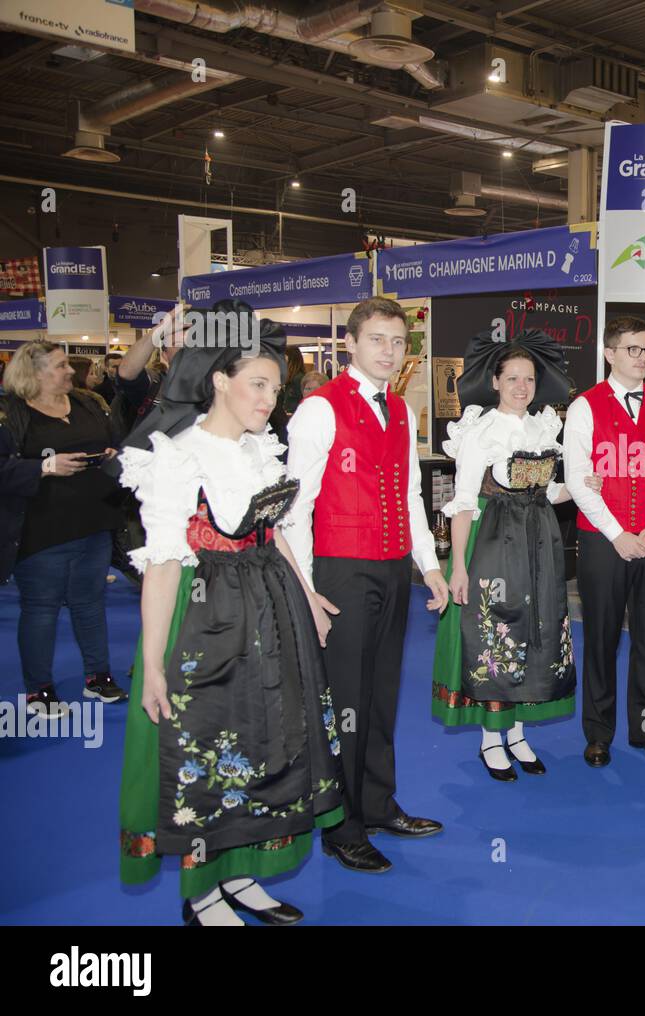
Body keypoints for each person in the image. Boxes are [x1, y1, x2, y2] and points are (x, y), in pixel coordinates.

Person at [116, 308, 344, 926]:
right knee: (209, 748)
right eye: (258, 386)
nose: (271, 400)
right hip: (205, 620)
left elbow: (277, 535)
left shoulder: (258, 449)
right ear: (220, 381)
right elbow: (162, 564)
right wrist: (156, 665)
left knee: (264, 739)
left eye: (276, 387)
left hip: (269, 610)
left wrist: (308, 595)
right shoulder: (176, 456)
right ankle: (202, 893)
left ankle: (242, 875)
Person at [283, 296, 449, 875]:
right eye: (377, 339)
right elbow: (294, 509)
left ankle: (377, 804)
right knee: (345, 703)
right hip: (339, 570)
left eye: (398, 342)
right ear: (349, 344)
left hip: (391, 565)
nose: (388, 351)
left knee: (381, 694)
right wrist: (307, 591)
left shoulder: (400, 410)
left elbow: (409, 495)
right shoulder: (318, 410)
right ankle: (341, 824)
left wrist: (428, 564)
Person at [433, 331, 588, 781]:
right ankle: (490, 739)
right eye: (513, 378)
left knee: (536, 630)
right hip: (494, 541)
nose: (522, 387)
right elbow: (463, 504)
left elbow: (545, 491)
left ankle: (518, 733)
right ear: (495, 382)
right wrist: (458, 565)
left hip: (539, 541)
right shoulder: (480, 431)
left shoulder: (544, 427)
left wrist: (578, 488)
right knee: (496, 631)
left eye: (530, 379)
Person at [563, 316, 645, 767]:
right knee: (600, 638)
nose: (641, 357)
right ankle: (598, 734)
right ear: (609, 354)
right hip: (604, 541)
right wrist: (617, 534)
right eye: (632, 349)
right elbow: (578, 480)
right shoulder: (584, 407)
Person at [0, 341, 126, 715]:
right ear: (34, 372)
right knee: (41, 609)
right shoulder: (11, 414)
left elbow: (113, 441)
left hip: (94, 523)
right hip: (41, 531)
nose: (70, 371)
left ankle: (98, 678)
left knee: (90, 605)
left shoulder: (88, 403)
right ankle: (39, 691)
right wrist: (43, 467)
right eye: (59, 366)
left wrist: (112, 455)